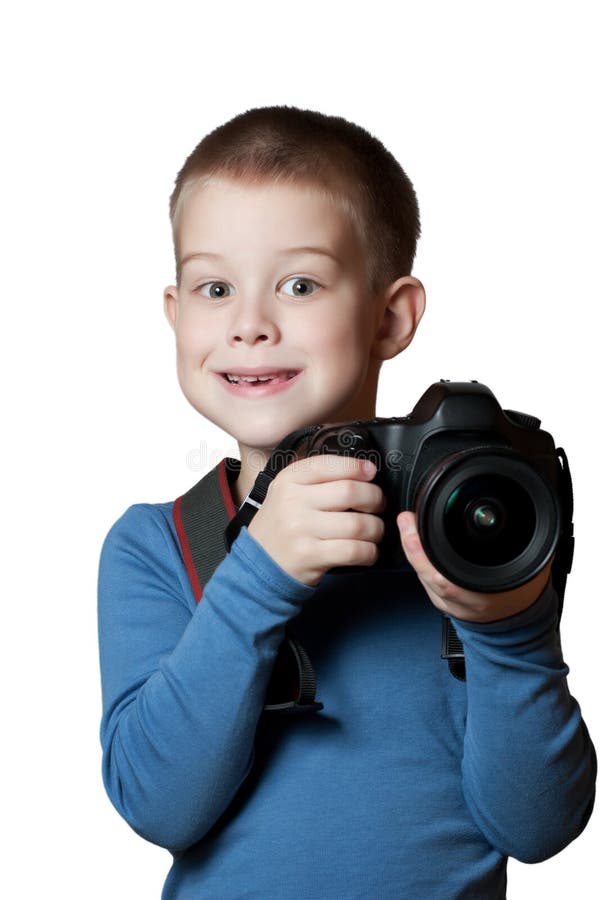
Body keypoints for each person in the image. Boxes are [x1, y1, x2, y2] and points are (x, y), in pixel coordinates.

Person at [98, 105, 596, 899]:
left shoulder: (467, 529)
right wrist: (257, 577)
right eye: (215, 287)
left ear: (388, 317)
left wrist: (506, 629)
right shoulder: (160, 547)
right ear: (175, 313)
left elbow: (537, 828)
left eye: (299, 284)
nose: (250, 325)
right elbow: (160, 807)